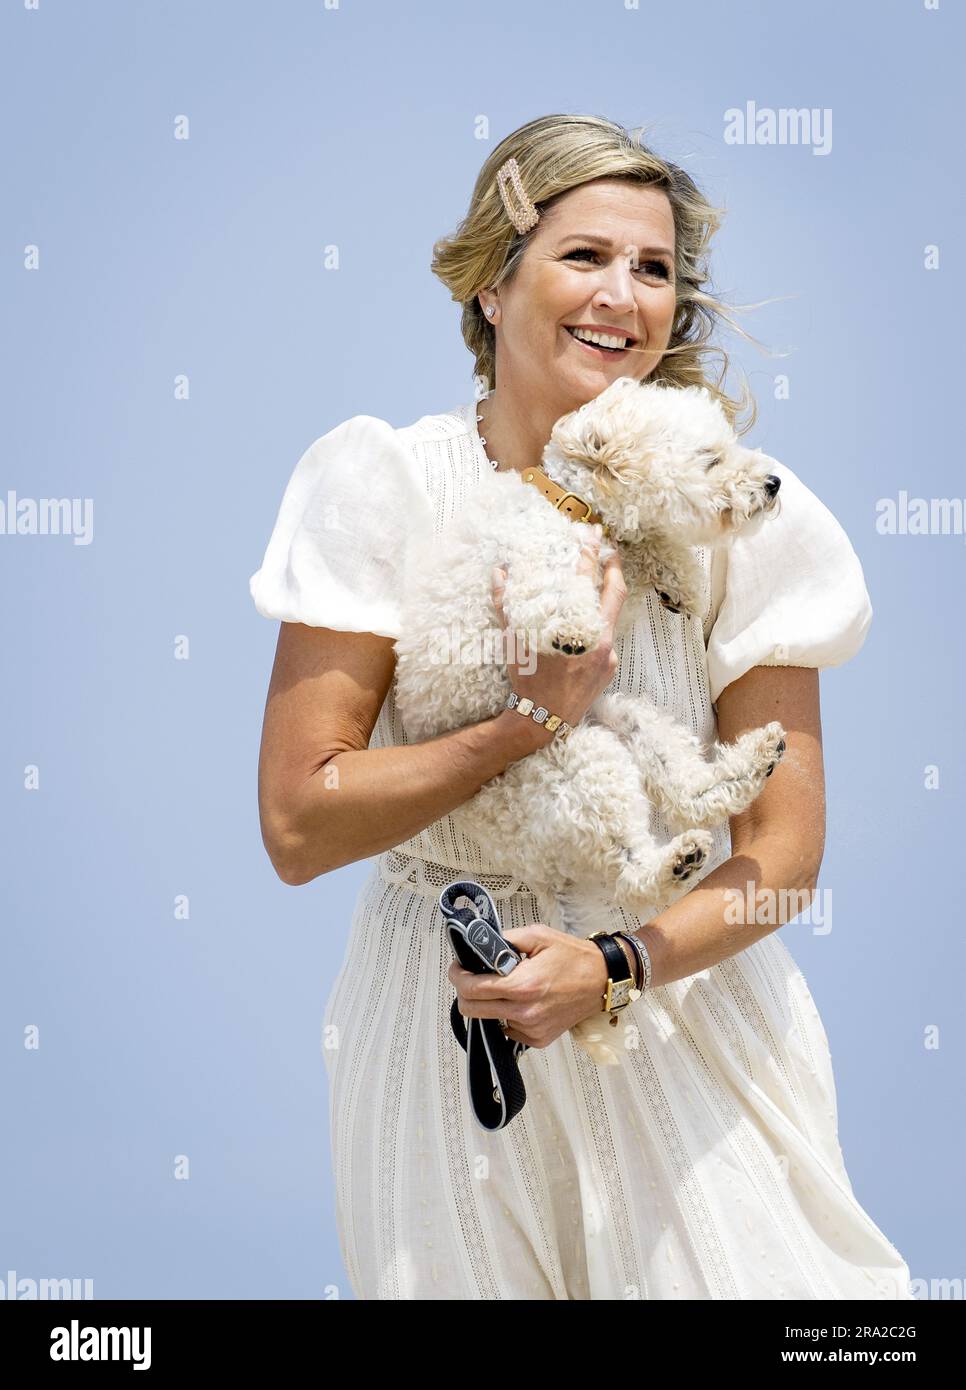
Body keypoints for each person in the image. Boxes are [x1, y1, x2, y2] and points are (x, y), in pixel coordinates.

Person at [249, 114, 913, 1300]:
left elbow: (785, 853)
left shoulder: (736, 514)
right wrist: (528, 717)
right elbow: (302, 824)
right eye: (585, 256)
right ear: (493, 286)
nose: (624, 295)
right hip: (447, 1025)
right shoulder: (385, 485)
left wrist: (615, 965)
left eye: (654, 270)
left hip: (680, 1013)